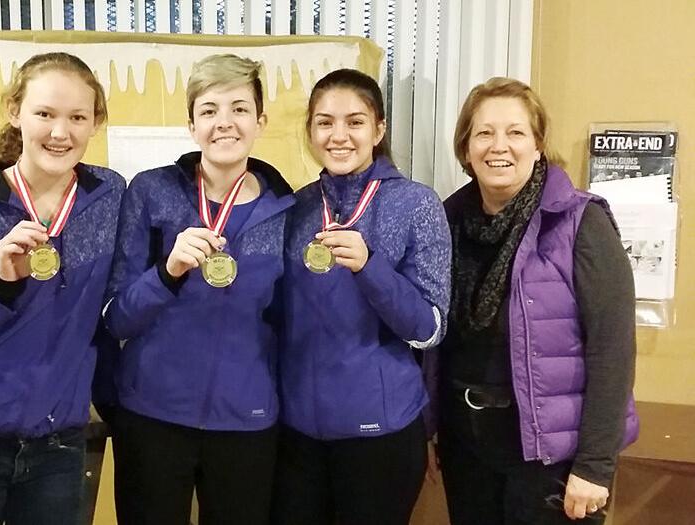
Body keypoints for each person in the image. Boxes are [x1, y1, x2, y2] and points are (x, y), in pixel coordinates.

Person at [0, 52, 124, 525]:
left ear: (95, 122)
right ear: (15, 111)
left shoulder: (110, 196)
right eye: (45, 114)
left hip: (59, 444)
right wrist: (0, 289)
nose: (61, 132)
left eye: (77, 116)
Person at [103, 53, 293, 525]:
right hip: (153, 415)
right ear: (190, 125)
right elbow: (116, 317)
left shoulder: (290, 210)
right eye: (209, 110)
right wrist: (166, 273)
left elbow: (291, 322)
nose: (224, 123)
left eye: (239, 109)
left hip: (247, 420)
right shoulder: (150, 192)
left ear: (260, 120)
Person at [438, 77, 639, 524]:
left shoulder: (580, 222)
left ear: (537, 144)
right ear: (466, 147)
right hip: (466, 448)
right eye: (484, 132)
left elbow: (612, 350)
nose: (499, 146)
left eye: (515, 132)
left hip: (551, 458)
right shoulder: (446, 222)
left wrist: (595, 466)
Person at [271, 68, 451, 525]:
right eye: (325, 122)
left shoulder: (416, 204)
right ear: (311, 130)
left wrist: (371, 267)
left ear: (379, 128)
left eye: (354, 122)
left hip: (380, 436)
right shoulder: (297, 207)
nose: (339, 136)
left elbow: (428, 329)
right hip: (296, 434)